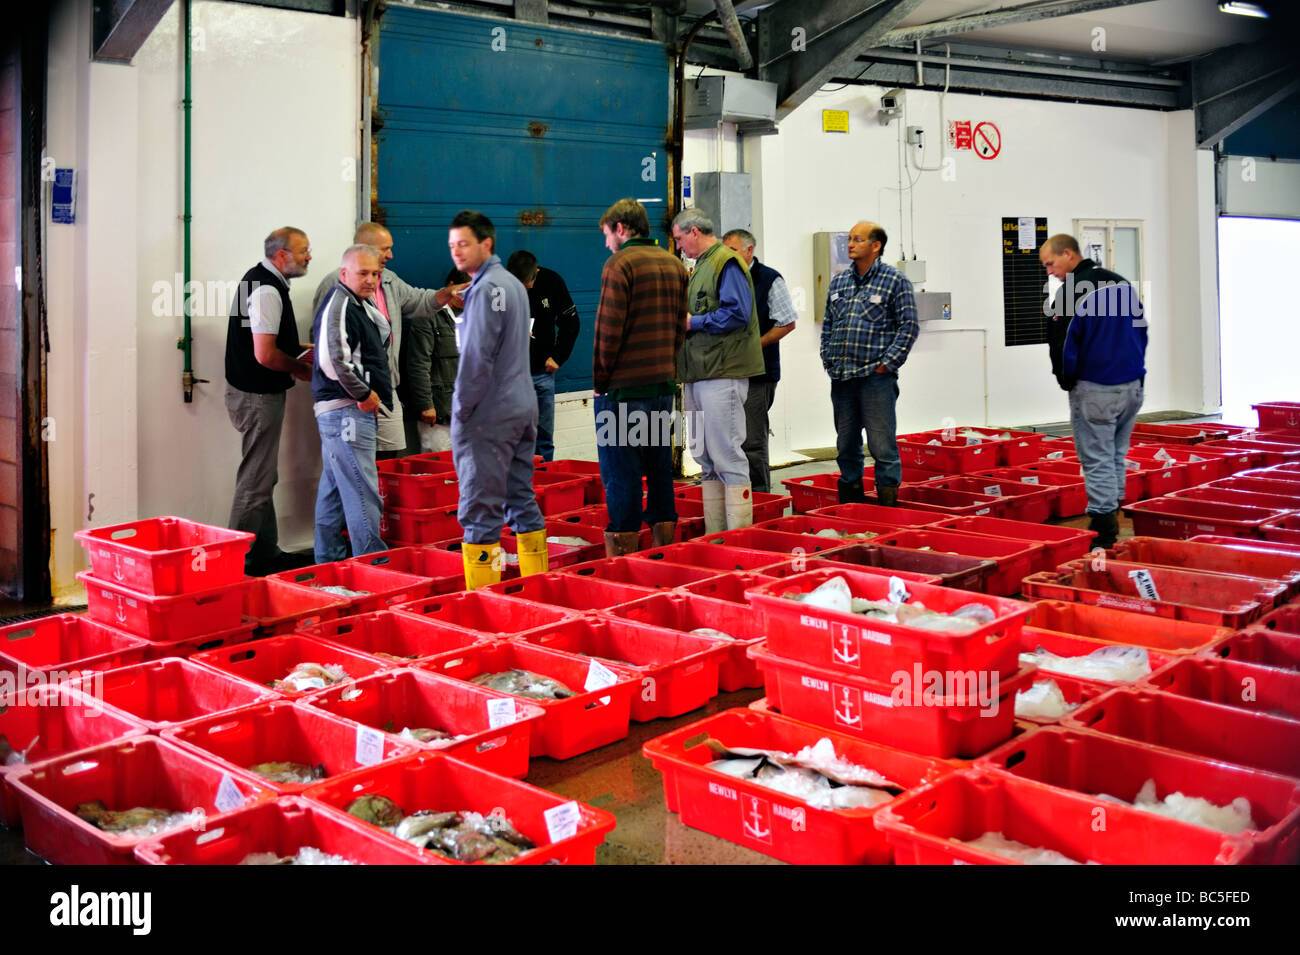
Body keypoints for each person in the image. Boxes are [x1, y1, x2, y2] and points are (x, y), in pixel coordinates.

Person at [448, 210, 548, 589]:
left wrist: (460, 411)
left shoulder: (485, 290)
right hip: (522, 406)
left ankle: (484, 605)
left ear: (486, 244)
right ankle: (538, 591)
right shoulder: (511, 285)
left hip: (489, 413)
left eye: (464, 244)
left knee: (479, 508)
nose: (456, 252)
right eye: (453, 245)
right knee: (520, 496)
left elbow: (477, 358)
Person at [312, 223, 464, 458]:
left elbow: (417, 301)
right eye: (385, 249)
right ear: (363, 249)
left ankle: (378, 495)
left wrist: (446, 294)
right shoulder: (335, 285)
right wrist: (359, 391)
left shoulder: (390, 279)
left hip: (386, 386)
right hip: (350, 394)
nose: (391, 255)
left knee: (387, 459)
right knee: (354, 463)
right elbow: (326, 344)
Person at [594, 199, 688, 556]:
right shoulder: (674, 264)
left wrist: (602, 383)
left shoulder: (619, 264)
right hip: (663, 387)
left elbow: (607, 334)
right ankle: (665, 551)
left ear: (621, 228)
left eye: (607, 234)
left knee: (621, 474)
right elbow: (680, 328)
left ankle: (625, 556)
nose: (606, 244)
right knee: (660, 468)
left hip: (623, 393)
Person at [1041, 233, 1147, 549]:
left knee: (1097, 458)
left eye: (1050, 263)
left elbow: (1061, 344)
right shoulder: (1122, 284)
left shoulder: (1071, 293)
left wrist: (1066, 379)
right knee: (1115, 454)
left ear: (1068, 254)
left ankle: (1103, 530)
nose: (1049, 271)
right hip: (1132, 386)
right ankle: (1112, 515)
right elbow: (1142, 332)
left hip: (1096, 388)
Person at [223, 227, 314, 576]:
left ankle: (264, 555)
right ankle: (233, 566)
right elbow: (265, 354)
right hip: (257, 396)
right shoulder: (267, 290)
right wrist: (301, 370)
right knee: (255, 482)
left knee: (263, 476)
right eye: (303, 250)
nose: (309, 256)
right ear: (281, 256)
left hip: (249, 392)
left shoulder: (256, 279)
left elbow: (265, 343)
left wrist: (305, 351)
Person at [669, 208, 765, 532]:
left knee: (727, 456)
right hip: (698, 373)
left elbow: (737, 312)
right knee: (704, 457)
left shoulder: (726, 262)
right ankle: (716, 536)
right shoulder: (700, 266)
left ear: (694, 232)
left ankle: (740, 539)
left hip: (723, 372)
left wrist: (691, 322)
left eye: (680, 239)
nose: (679, 246)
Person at [820, 221, 919, 507]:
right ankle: (852, 505)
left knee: (881, 445)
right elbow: (828, 325)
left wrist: (886, 365)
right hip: (841, 378)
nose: (850, 244)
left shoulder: (894, 281)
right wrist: (828, 357)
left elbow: (909, 327)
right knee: (846, 445)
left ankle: (887, 504)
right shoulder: (839, 281)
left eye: (858, 240)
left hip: (876, 380)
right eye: (849, 239)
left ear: (876, 246)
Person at [310, 245, 392, 563]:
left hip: (344, 411)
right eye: (363, 273)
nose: (371, 279)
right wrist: (363, 394)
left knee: (333, 492)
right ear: (344, 273)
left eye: (375, 273)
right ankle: (374, 566)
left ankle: (328, 565)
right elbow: (333, 360)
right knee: (362, 491)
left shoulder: (358, 304)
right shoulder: (340, 304)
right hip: (346, 410)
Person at [721, 229, 797, 494]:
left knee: (752, 440)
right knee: (728, 442)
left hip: (758, 374)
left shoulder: (769, 279)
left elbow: (787, 322)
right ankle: (736, 497)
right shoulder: (721, 278)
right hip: (726, 373)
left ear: (749, 250)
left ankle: (761, 497)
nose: (726, 257)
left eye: (732, 251)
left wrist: (755, 345)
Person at [506, 250, 580, 463]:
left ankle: (544, 481)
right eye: (519, 283)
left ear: (536, 272)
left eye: (529, 282)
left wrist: (559, 356)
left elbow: (570, 323)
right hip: (511, 376)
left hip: (542, 374)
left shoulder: (552, 281)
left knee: (544, 438)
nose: (525, 287)